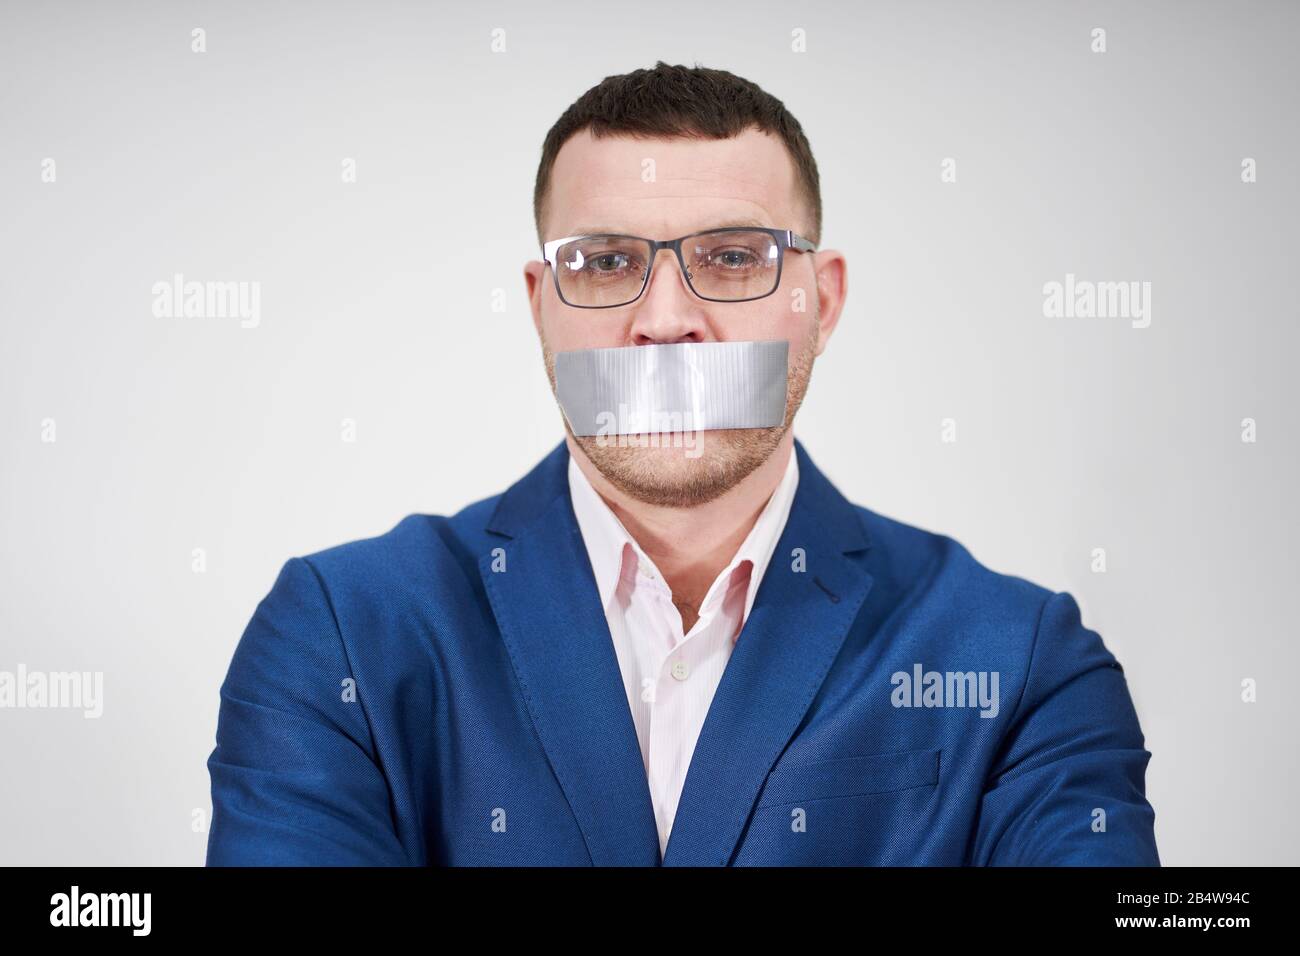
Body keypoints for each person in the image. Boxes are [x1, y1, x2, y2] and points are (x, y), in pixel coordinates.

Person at [205, 61, 1159, 866]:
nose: (666, 322)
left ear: (821, 303)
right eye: (606, 263)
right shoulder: (343, 637)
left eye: (735, 258)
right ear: (542, 302)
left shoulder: (1019, 659)